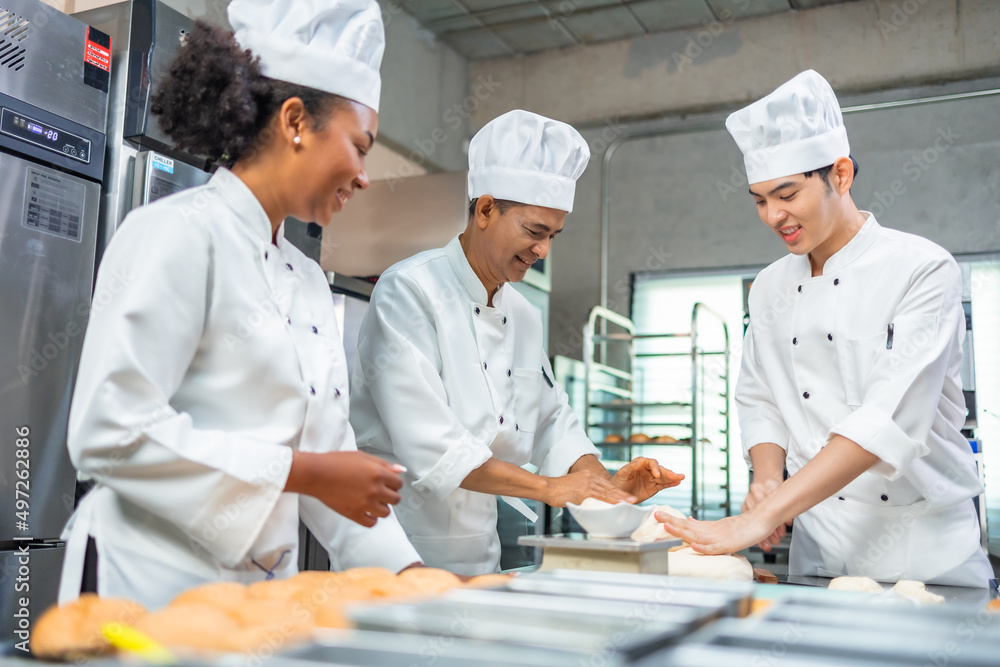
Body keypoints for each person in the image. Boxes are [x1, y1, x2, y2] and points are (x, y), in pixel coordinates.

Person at [57, 0, 421, 610]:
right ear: (296, 120)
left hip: (254, 603)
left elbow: (333, 464)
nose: (363, 176)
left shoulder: (307, 280)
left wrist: (413, 578)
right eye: (361, 146)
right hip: (146, 589)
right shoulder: (176, 233)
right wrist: (301, 473)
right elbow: (107, 431)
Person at [657, 70, 992, 587]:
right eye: (759, 199)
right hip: (820, 545)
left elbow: (886, 420)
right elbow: (760, 396)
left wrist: (760, 517)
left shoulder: (922, 269)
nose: (773, 215)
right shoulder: (769, 287)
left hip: (926, 550)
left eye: (787, 193)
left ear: (840, 175)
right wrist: (768, 481)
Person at [349, 110, 684, 576]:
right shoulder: (409, 291)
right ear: (485, 210)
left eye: (553, 235)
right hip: (394, 549)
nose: (544, 250)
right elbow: (433, 446)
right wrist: (549, 489)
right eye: (534, 231)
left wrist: (601, 482)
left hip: (480, 557)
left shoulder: (523, 315)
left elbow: (551, 421)